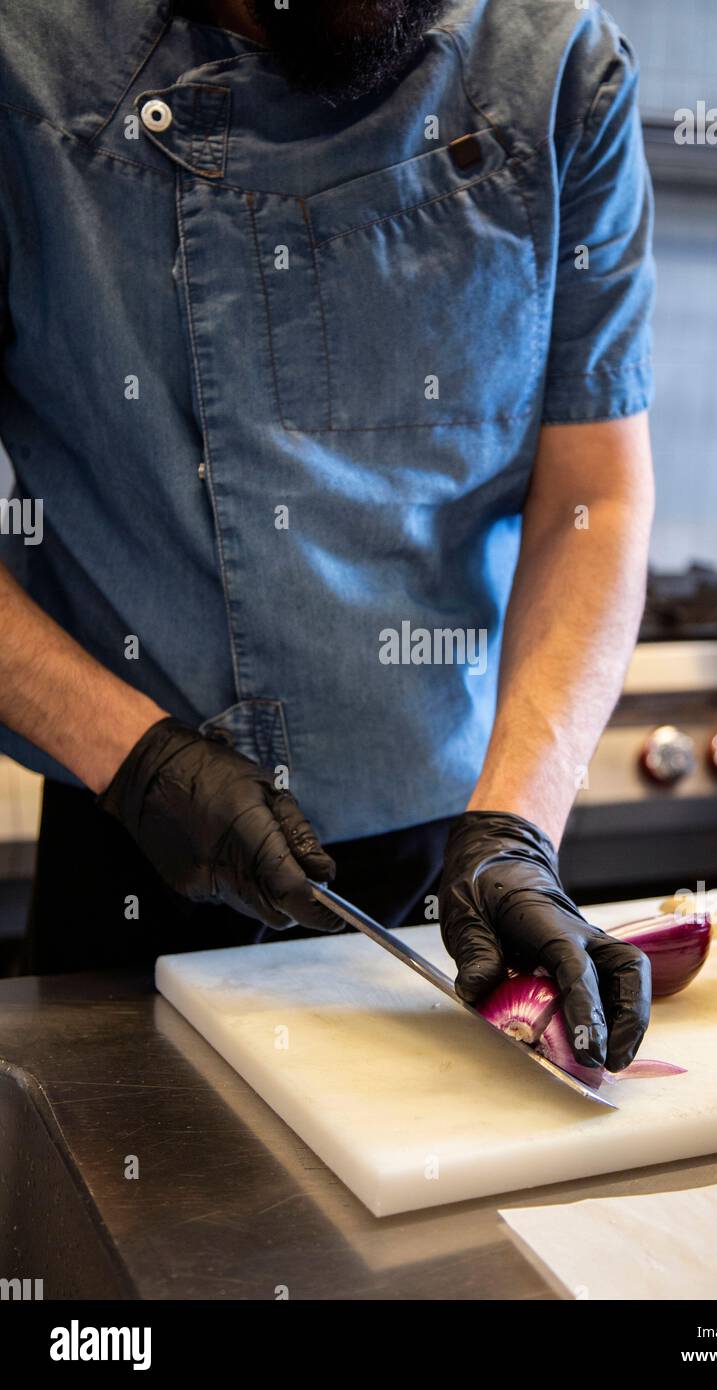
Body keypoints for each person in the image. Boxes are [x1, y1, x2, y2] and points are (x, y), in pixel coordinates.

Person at [0, 0, 655, 1077]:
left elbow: (598, 494)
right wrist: (136, 758)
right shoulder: (24, 56)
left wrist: (520, 834)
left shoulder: (558, 68)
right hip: (130, 837)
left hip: (456, 855)